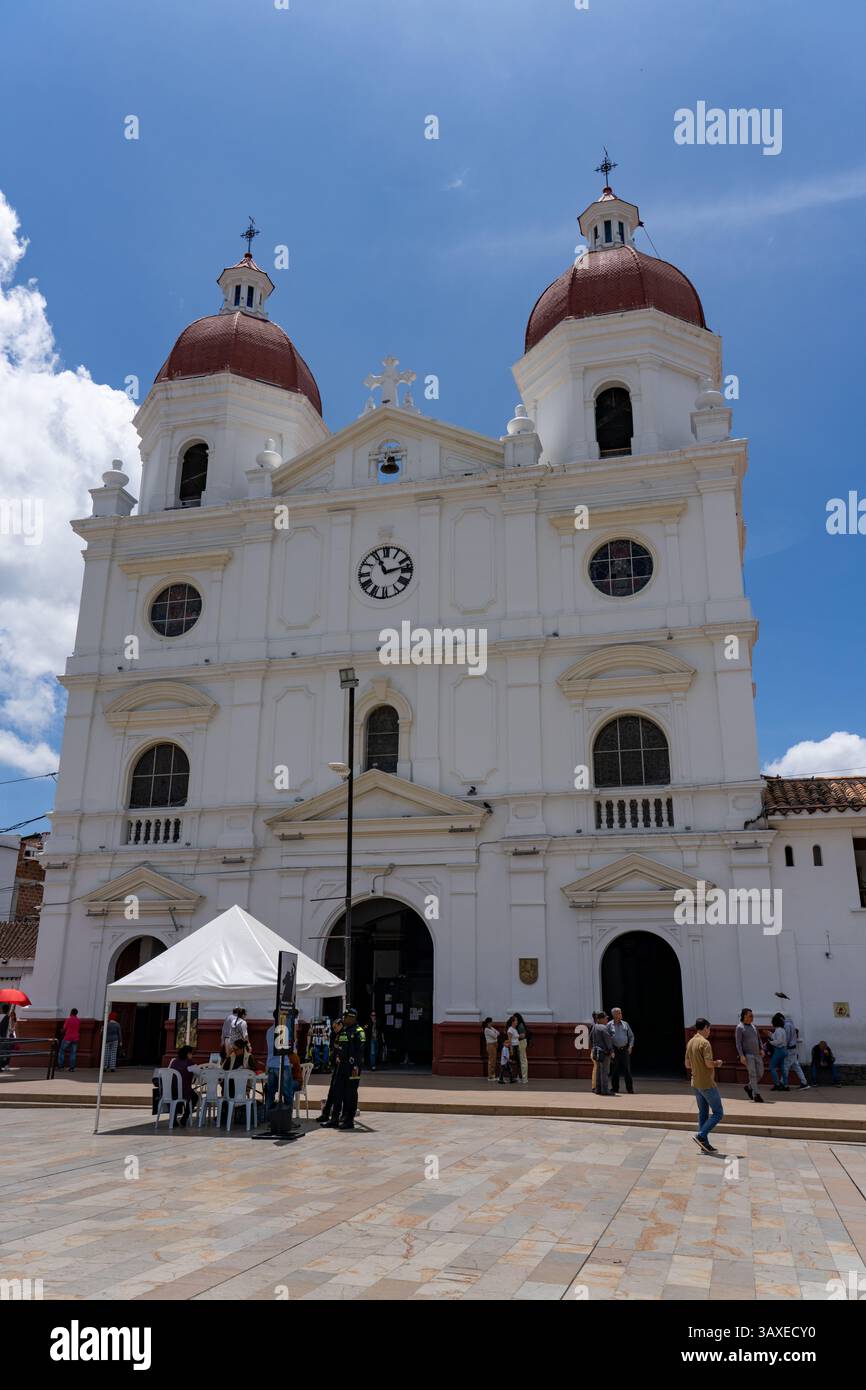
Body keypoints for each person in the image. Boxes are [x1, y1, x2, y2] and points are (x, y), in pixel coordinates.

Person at [685, 1019, 725, 1154]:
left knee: (703, 1113)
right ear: (706, 1028)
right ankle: (700, 1135)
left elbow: (687, 1064)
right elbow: (708, 1064)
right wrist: (717, 1063)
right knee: (718, 1113)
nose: (709, 1032)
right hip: (706, 1083)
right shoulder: (704, 1043)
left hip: (695, 1082)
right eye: (709, 1029)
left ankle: (704, 1144)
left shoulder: (691, 1042)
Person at [323, 1007, 366, 1130]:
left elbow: (359, 1052)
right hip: (341, 1066)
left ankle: (349, 1120)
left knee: (350, 1094)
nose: (343, 1019)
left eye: (345, 1017)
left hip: (352, 1067)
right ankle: (334, 1119)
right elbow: (338, 1047)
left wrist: (355, 1066)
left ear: (352, 1018)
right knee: (337, 1091)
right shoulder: (344, 1031)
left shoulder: (359, 1031)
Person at [265, 1010, 301, 1115]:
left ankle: (269, 1116)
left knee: (270, 1093)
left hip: (271, 1064)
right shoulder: (284, 1030)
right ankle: (287, 1117)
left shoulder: (269, 1030)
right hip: (282, 1064)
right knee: (287, 1092)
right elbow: (289, 1048)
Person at [316, 1014, 344, 1124]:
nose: (334, 1029)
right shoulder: (335, 1035)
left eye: (336, 1027)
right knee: (331, 1092)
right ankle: (326, 1114)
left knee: (337, 1093)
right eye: (333, 1028)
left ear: (340, 1025)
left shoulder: (344, 1035)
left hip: (342, 1069)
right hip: (336, 1067)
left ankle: (335, 1117)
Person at [735, 1007, 765, 1103]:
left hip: (757, 1054)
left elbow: (759, 1039)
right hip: (748, 1055)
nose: (752, 1017)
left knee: (760, 1073)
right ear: (744, 1016)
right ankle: (756, 1095)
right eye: (750, 1016)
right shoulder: (740, 1027)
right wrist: (741, 1055)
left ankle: (749, 1087)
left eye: (752, 1016)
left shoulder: (754, 1026)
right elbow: (738, 1043)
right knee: (752, 1074)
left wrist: (761, 1048)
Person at [169, 1044, 199, 1126]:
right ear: (188, 1054)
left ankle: (174, 1119)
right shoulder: (189, 1063)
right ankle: (185, 1117)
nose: (192, 1055)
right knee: (195, 1097)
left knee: (178, 1098)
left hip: (171, 1091)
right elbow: (199, 1073)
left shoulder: (174, 1061)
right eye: (191, 1053)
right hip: (184, 1091)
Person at [607, 1007, 635, 1095]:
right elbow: (607, 1038)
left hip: (624, 1049)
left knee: (627, 1070)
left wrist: (630, 1046)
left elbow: (631, 1036)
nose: (620, 1014)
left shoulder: (625, 1024)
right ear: (614, 1015)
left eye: (620, 1013)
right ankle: (615, 1088)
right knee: (615, 1070)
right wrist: (611, 1050)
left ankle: (630, 1089)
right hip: (615, 1050)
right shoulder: (609, 1025)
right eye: (619, 1013)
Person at [590, 1010, 614, 1095]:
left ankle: (598, 1089)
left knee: (598, 1071)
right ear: (600, 1019)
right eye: (605, 1018)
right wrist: (611, 1051)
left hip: (596, 1051)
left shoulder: (594, 1027)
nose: (606, 1020)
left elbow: (591, 1039)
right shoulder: (604, 1028)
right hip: (604, 1052)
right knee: (604, 1072)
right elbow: (608, 1041)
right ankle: (605, 1090)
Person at [782, 1014, 810, 1090]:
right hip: (793, 1048)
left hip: (789, 1049)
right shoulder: (791, 1024)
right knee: (796, 1066)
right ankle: (804, 1082)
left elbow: (787, 1037)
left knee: (786, 1066)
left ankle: (783, 1083)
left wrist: (783, 1045)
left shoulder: (786, 1026)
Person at [767, 1012, 789, 1091]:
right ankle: (786, 1085)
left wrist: (770, 1042)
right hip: (784, 1050)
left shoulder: (778, 1030)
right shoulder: (781, 1030)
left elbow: (779, 1041)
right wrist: (770, 1034)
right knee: (782, 1068)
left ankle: (777, 1084)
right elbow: (778, 1038)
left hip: (779, 1050)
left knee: (772, 1067)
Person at [511, 1012, 530, 1084]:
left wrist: (515, 1036)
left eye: (515, 1019)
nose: (514, 1020)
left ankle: (524, 1078)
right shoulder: (520, 1025)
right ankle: (523, 1077)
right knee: (522, 1060)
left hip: (522, 1042)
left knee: (523, 1060)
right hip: (521, 1042)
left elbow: (522, 1035)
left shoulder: (520, 1026)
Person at [482, 1017, 498, 1081]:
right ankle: (490, 1076)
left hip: (494, 1045)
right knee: (491, 1060)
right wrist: (495, 1033)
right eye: (491, 1022)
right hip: (490, 1045)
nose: (492, 1023)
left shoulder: (491, 1028)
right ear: (489, 1022)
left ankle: (493, 1075)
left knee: (494, 1060)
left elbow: (498, 1033)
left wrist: (495, 1032)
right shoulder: (487, 1029)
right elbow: (495, 1035)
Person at [0, 1003, 12, 1071]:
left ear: (2, 1009)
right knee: (6, 1052)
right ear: (8, 1010)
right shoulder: (8, 1018)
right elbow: (10, 1029)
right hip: (6, 1038)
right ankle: (5, 1065)